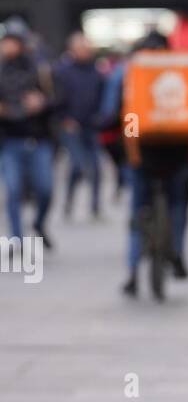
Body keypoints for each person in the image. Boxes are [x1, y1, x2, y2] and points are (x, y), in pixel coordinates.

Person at [120, 30, 188, 297]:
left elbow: (120, 115)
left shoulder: (132, 72)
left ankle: (133, 271)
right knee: (178, 205)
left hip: (143, 156)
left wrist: (127, 151)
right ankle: (178, 255)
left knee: (138, 212)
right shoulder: (187, 70)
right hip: (179, 154)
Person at [0, 18, 57, 246]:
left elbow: (57, 100)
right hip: (9, 141)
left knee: (45, 190)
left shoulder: (40, 69)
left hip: (37, 139)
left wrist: (41, 102)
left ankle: (39, 223)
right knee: (13, 191)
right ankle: (17, 239)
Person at [53, 31, 105, 220]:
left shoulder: (96, 72)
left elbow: (102, 97)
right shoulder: (62, 71)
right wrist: (65, 118)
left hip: (91, 125)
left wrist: (101, 118)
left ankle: (95, 207)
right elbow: (56, 99)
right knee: (77, 165)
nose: (86, 51)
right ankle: (68, 200)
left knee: (97, 167)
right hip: (71, 125)